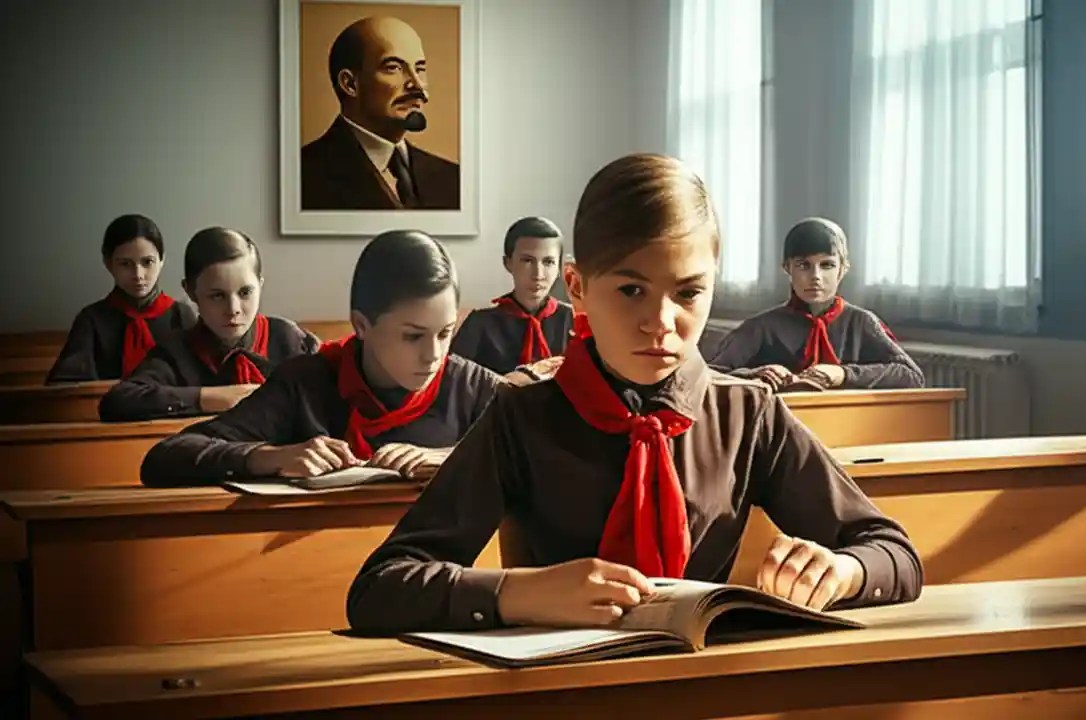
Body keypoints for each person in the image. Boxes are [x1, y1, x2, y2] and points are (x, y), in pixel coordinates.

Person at [346, 154, 922, 633]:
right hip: (560, 695)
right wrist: (517, 593)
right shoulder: (522, 414)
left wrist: (841, 570)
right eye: (631, 290)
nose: (661, 323)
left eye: (689, 293)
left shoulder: (747, 413)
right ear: (578, 286)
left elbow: (894, 554)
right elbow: (379, 587)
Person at [139, 230, 501, 487]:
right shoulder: (305, 383)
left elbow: (552, 444)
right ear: (361, 324)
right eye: (413, 335)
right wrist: (271, 457)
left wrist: (451, 456)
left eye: (445, 333)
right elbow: (166, 457)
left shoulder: (470, 385)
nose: (434, 355)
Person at [98, 228, 319, 421]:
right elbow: (117, 402)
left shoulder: (289, 338)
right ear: (191, 291)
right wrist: (209, 398)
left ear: (260, 286)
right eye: (217, 296)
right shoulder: (176, 353)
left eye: (245, 292)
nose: (233, 308)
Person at [709, 218, 924, 391]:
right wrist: (753, 375)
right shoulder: (762, 327)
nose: (816, 276)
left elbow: (911, 375)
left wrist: (843, 374)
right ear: (787, 268)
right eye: (803, 265)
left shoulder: (861, 323)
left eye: (827, 265)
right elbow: (709, 374)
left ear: (843, 269)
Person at [301, 16, 460, 211]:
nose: (417, 85)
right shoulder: (303, 174)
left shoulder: (453, 178)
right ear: (350, 84)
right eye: (393, 68)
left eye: (419, 69)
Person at [46, 214, 195, 383]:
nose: (138, 275)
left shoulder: (181, 315)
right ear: (108, 263)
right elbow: (69, 386)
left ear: (161, 261)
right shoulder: (92, 320)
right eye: (125, 264)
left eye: (148, 262)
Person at [451, 216, 574, 375]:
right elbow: (454, 381)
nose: (538, 274)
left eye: (548, 262)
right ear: (508, 263)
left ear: (559, 268)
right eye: (527, 261)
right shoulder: (479, 324)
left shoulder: (574, 319)